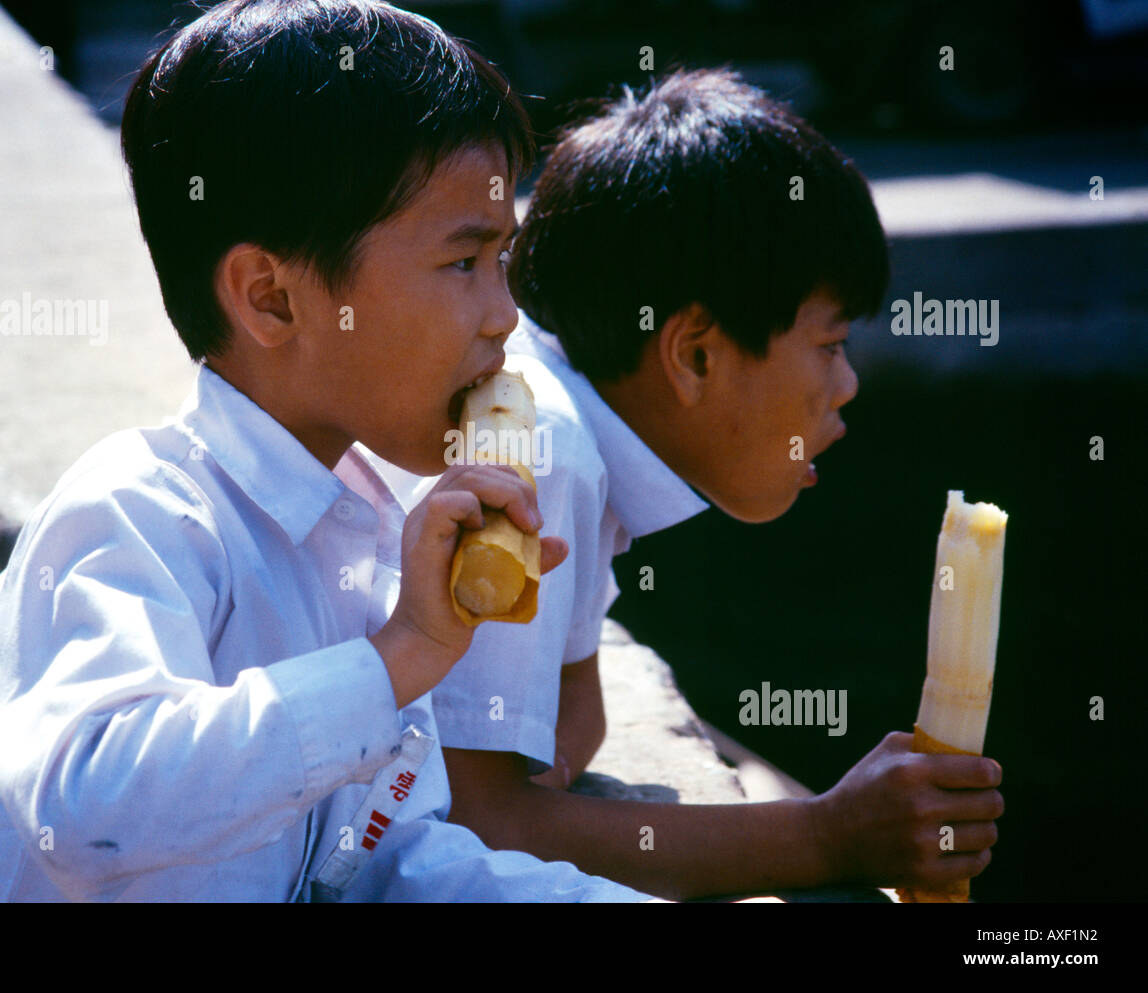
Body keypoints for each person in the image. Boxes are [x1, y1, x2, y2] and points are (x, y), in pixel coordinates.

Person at [0, 0, 650, 903]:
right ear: (270, 299)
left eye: (503, 261)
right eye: (464, 264)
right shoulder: (138, 510)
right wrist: (396, 661)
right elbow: (86, 807)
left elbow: (385, 864)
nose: (505, 315)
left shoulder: (371, 541)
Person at [396, 68, 1004, 901]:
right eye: (829, 345)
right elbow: (480, 822)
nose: (849, 383)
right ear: (694, 355)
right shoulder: (546, 451)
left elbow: (575, 707)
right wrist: (826, 835)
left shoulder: (562, 421)